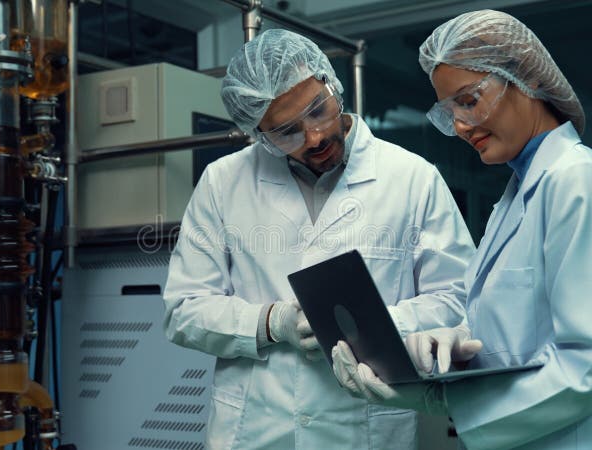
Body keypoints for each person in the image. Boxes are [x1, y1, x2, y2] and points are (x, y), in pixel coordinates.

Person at [331, 9, 592, 450]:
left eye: (469, 101)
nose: (461, 127)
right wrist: (456, 344)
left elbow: (587, 370)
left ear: (527, 78)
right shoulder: (514, 199)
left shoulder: (581, 183)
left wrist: (447, 401)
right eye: (449, 112)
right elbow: (515, 334)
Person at [163, 28, 476, 449]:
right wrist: (271, 323)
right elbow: (184, 310)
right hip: (257, 429)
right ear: (259, 135)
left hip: (364, 428)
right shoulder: (223, 182)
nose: (313, 137)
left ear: (333, 85)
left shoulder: (412, 178)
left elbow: (458, 299)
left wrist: (376, 323)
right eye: (286, 131)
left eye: (317, 110)